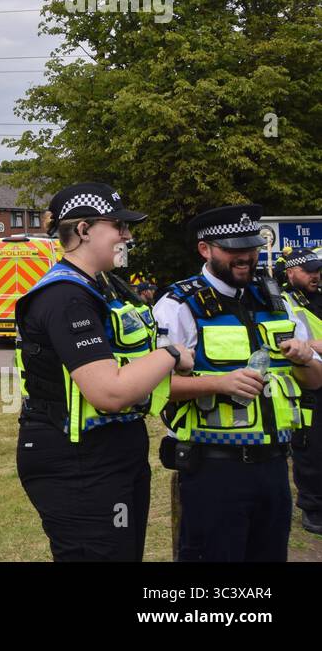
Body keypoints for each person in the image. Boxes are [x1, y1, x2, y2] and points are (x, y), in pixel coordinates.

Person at [15, 183, 192, 561]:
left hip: (111, 452)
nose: (127, 236)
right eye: (119, 226)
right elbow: (108, 392)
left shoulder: (103, 289)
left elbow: (130, 377)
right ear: (83, 230)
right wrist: (172, 354)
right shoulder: (65, 297)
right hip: (78, 461)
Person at [153, 205, 322, 562]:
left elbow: (315, 381)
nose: (246, 257)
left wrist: (305, 358)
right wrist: (219, 383)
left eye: (252, 247)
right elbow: (152, 387)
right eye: (233, 249)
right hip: (214, 468)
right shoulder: (179, 304)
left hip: (275, 465)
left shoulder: (278, 302)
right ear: (205, 249)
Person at [276, 248, 322, 533]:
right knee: (312, 446)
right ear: (291, 272)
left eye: (318, 270)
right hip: (308, 380)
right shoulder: (283, 302)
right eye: (309, 270)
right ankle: (313, 507)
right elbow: (292, 342)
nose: (316, 275)